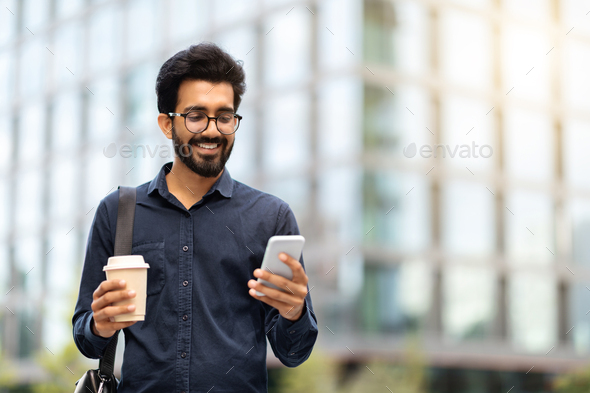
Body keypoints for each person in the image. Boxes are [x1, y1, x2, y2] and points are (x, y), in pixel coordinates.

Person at [72, 42, 318, 393]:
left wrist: (294, 312)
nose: (213, 130)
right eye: (196, 115)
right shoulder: (118, 212)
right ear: (167, 124)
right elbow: (86, 338)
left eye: (225, 116)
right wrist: (100, 325)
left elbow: (294, 353)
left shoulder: (270, 217)